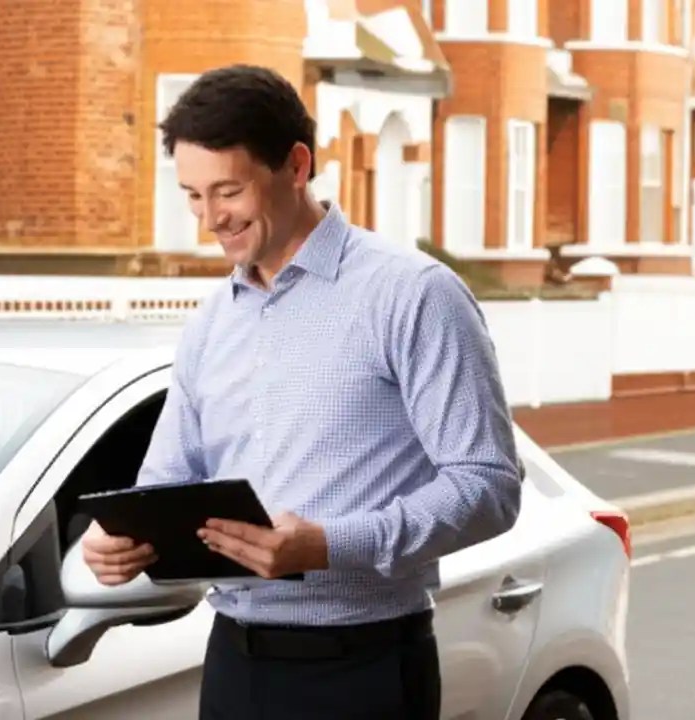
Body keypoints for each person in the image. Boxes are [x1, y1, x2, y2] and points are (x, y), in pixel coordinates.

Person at [80, 64, 523, 719]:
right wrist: (121, 540)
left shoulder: (412, 295)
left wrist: (329, 544)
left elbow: (488, 486)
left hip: (363, 670)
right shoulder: (210, 321)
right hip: (232, 663)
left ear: (294, 164)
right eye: (193, 196)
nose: (210, 219)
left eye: (227, 190)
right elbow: (170, 482)